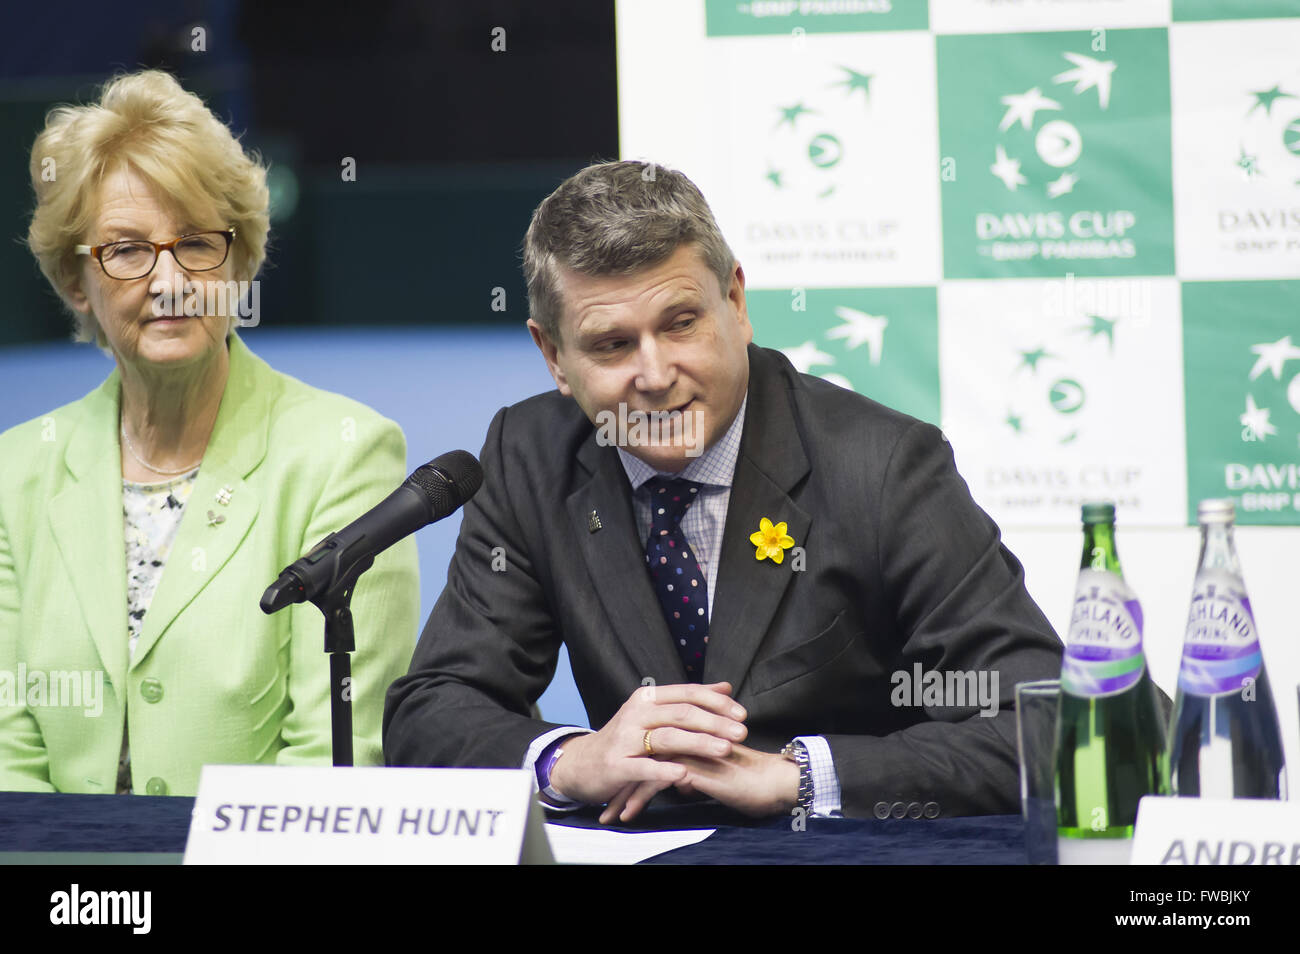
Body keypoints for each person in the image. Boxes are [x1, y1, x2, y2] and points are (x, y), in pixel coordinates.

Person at [384, 160, 1062, 821]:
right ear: (554, 356)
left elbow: (1054, 721)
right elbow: (432, 710)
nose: (655, 374)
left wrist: (796, 776)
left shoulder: (882, 466)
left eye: (681, 323)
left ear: (735, 303)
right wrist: (571, 760)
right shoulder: (529, 454)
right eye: (612, 345)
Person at [0, 70, 419, 796]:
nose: (170, 281)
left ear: (240, 261)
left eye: (195, 243)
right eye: (126, 250)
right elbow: (9, 758)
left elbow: (332, 757)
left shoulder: (345, 457)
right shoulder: (15, 473)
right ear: (77, 284)